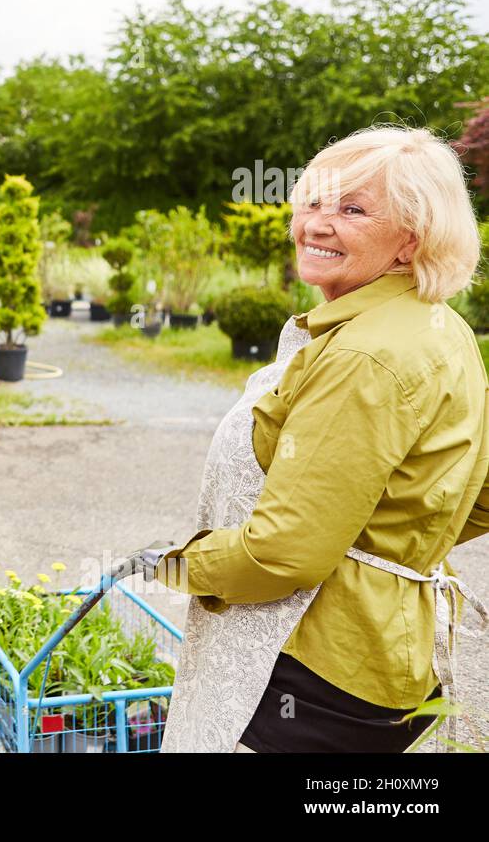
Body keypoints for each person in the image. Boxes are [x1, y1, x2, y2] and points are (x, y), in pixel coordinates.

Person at [149, 125, 489, 752]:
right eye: (312, 201)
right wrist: (393, 539)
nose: (317, 223)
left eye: (352, 209)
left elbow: (284, 557)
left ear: (410, 241)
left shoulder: (364, 355)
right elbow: (481, 492)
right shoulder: (438, 327)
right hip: (385, 665)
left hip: (312, 673)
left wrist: (172, 565)